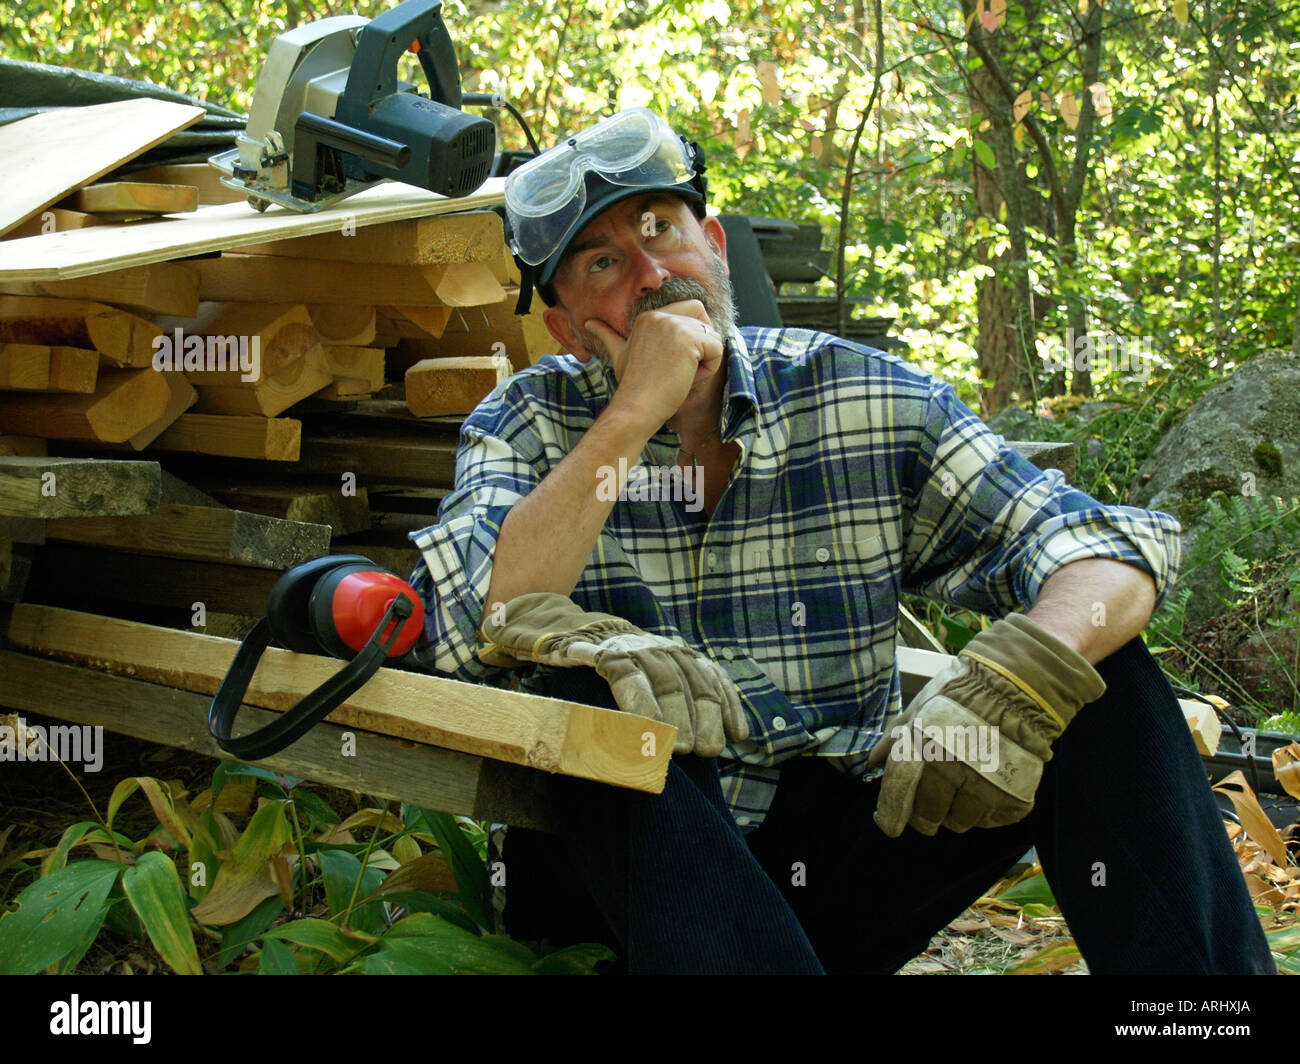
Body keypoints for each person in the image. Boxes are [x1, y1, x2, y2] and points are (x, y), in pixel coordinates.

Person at [406, 107, 1275, 974]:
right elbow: (464, 625)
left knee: (1098, 678)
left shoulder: (855, 393)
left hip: (833, 870)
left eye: (661, 230)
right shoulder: (527, 422)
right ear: (563, 326)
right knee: (600, 697)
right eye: (602, 262)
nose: (650, 275)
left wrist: (1022, 671)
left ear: (711, 243)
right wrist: (634, 413)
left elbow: (1100, 544)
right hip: (619, 895)